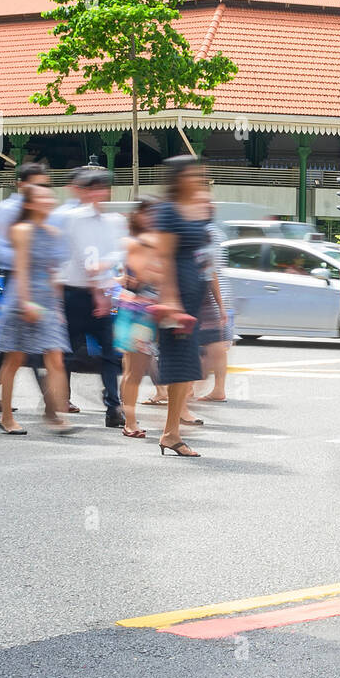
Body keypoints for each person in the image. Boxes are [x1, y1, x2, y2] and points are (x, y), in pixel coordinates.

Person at [0, 181, 75, 436]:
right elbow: (21, 269)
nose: (48, 201)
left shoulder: (54, 233)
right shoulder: (22, 230)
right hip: (21, 301)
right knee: (14, 360)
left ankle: (56, 415)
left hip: (48, 303)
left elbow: (53, 272)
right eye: (42, 198)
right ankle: (6, 416)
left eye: (50, 198)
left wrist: (58, 306)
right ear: (29, 203)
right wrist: (26, 302)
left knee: (57, 359)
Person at [0, 162, 52, 411]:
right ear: (22, 184)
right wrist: (25, 258)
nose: (41, 190)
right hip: (15, 277)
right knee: (23, 344)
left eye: (44, 185)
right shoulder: (6, 210)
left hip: (38, 280)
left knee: (16, 346)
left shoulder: (42, 211)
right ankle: (50, 400)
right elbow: (0, 248)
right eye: (36, 185)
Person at [58, 166, 125, 428]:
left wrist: (104, 287)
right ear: (84, 193)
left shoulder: (115, 221)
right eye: (92, 188)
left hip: (103, 293)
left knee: (110, 353)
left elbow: (118, 254)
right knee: (68, 353)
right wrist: (99, 288)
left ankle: (113, 406)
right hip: (75, 294)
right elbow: (82, 258)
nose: (98, 193)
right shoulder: (73, 219)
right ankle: (62, 401)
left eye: (102, 188)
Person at [153, 156, 210, 457]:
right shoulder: (167, 211)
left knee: (186, 367)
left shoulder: (199, 207)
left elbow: (206, 252)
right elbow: (164, 259)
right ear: (178, 178)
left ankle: (171, 432)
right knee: (181, 365)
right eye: (192, 174)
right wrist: (171, 301)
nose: (198, 179)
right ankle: (170, 433)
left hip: (194, 299)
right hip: (176, 302)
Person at [116, 201, 163, 438]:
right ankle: (129, 422)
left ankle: (129, 419)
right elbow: (142, 275)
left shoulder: (148, 242)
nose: (154, 218)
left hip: (143, 311)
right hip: (138, 311)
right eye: (149, 213)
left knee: (134, 369)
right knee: (134, 370)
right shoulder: (135, 243)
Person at [193, 186, 230, 405]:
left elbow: (211, 270)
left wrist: (221, 305)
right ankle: (213, 388)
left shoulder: (208, 233)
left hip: (209, 294)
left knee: (212, 346)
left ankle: (210, 388)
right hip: (213, 294)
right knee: (214, 345)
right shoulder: (211, 231)